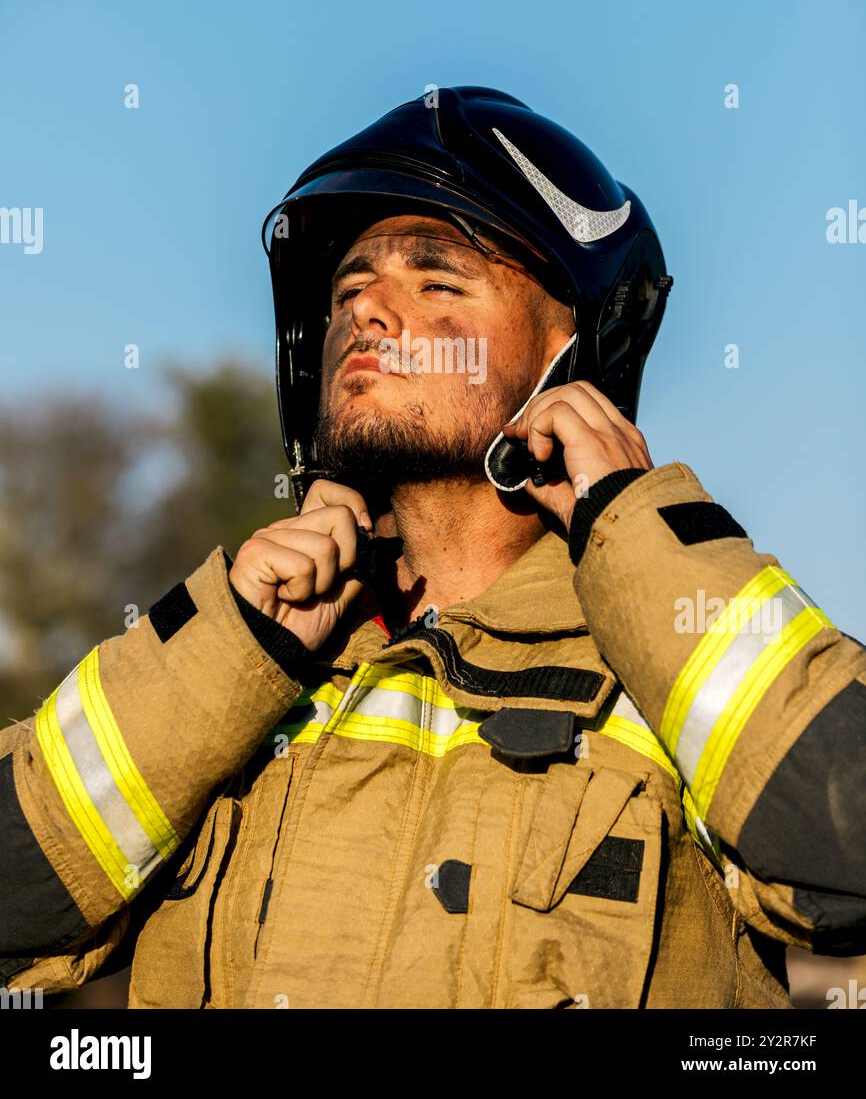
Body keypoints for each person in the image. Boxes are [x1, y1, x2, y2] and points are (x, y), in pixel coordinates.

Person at [1, 86, 863, 1009]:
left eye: (436, 280)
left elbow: (844, 847)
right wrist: (230, 651)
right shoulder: (247, 668)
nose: (366, 312)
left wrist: (639, 531)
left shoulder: (667, 666)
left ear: (575, 361)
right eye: (348, 290)